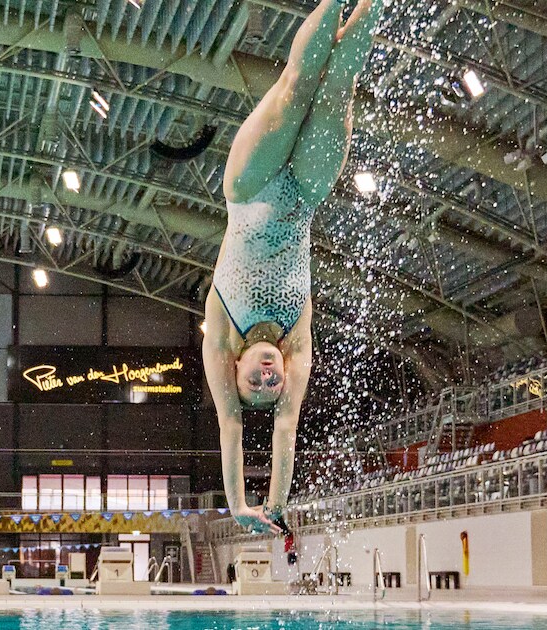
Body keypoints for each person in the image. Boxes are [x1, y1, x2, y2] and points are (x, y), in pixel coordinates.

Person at [203, 0, 383, 534]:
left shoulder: (221, 336)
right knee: (338, 91)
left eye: (253, 384)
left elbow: (231, 427)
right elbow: (287, 427)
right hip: (304, 195)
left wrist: (240, 504)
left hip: (250, 186)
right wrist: (277, 503)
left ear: (235, 373)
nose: (266, 379)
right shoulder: (296, 343)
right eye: (271, 385)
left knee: (297, 88)